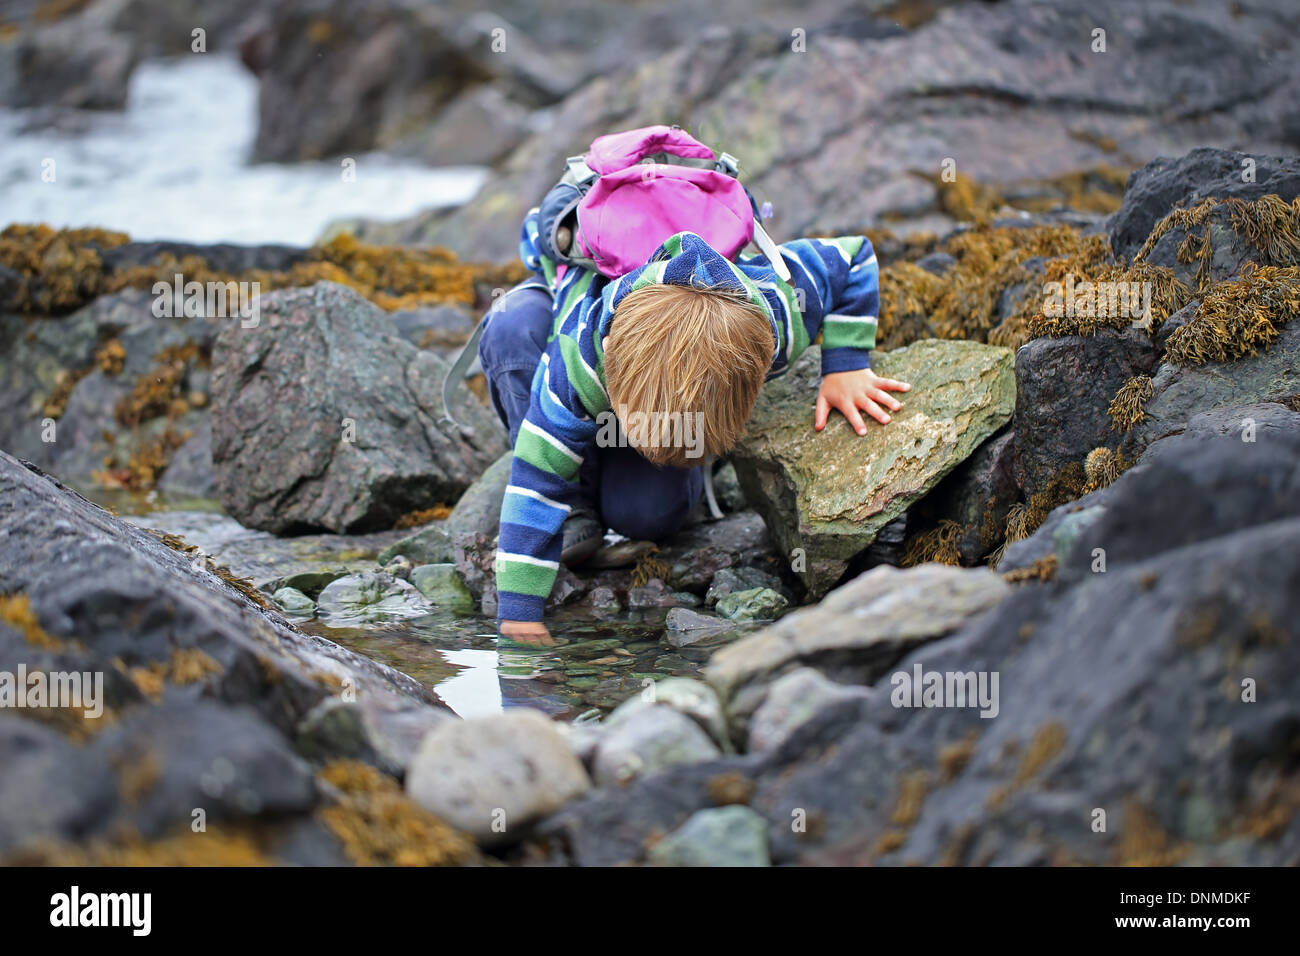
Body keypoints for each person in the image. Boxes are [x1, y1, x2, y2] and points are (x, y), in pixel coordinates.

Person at [478, 191, 910, 648]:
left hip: (681, 369)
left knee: (649, 515)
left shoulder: (779, 316)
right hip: (584, 325)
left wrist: (845, 366)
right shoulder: (579, 357)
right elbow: (535, 481)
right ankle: (581, 494)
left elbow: (855, 255)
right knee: (514, 332)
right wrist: (519, 617)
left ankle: (659, 460)